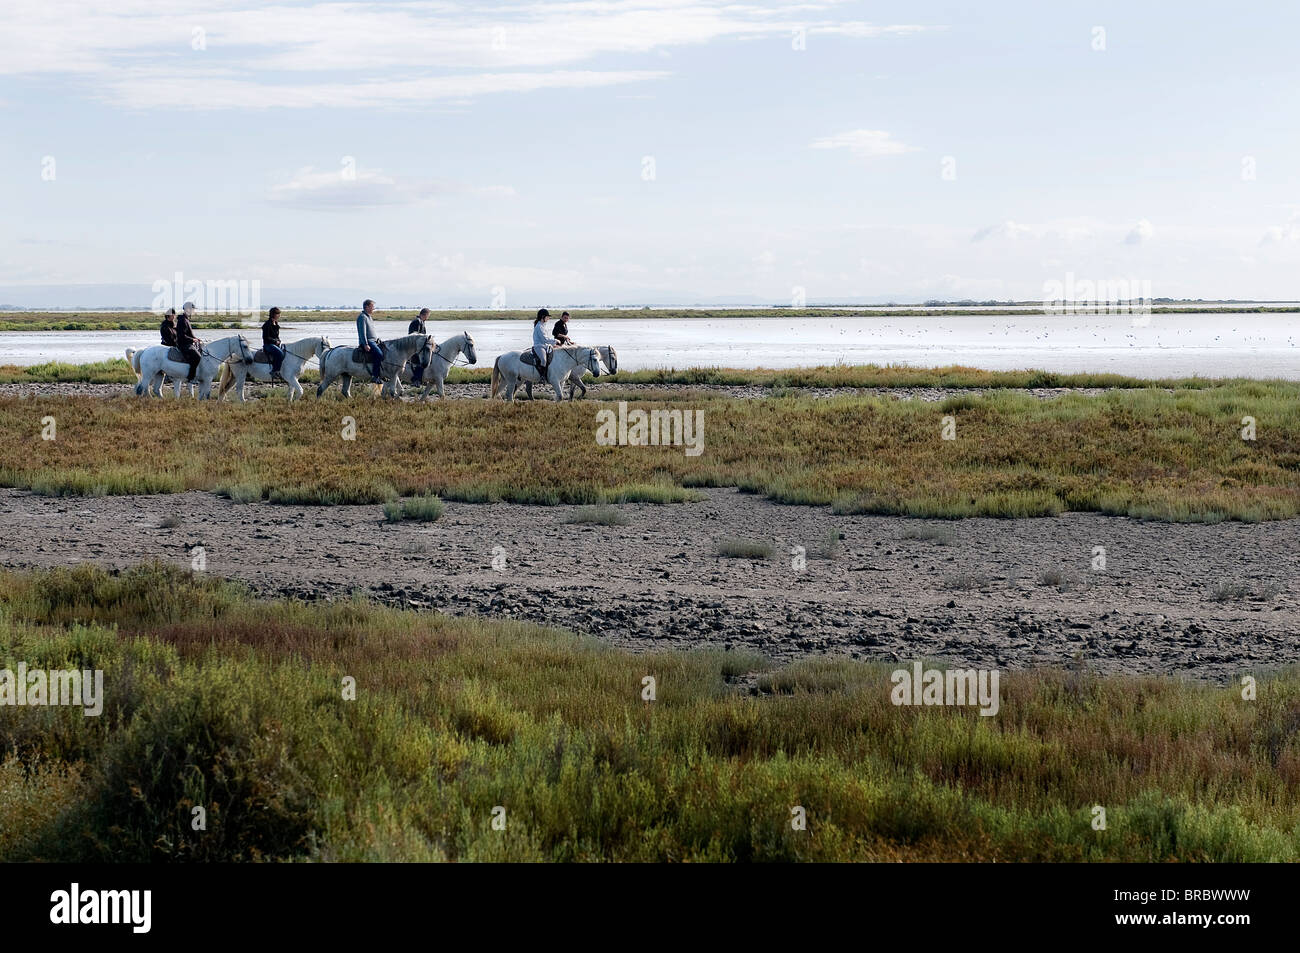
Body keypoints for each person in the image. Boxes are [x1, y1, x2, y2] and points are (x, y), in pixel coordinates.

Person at [356, 299, 384, 384]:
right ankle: (375, 376)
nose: (373, 308)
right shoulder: (362, 317)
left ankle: (383, 374)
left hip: (374, 341)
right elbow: (362, 332)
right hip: (369, 341)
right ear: (367, 307)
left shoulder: (369, 317)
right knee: (379, 354)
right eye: (372, 306)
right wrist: (365, 344)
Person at [175, 302, 202, 382]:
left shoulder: (186, 319)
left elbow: (188, 334)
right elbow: (181, 335)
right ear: (187, 309)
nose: (193, 311)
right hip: (183, 344)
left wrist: (196, 338)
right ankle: (191, 377)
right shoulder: (182, 320)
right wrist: (192, 340)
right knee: (198, 357)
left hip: (187, 342)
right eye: (193, 309)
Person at [407, 307, 433, 385]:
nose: (428, 317)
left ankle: (423, 378)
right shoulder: (416, 322)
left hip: (419, 346)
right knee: (421, 361)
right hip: (414, 346)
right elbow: (415, 335)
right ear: (424, 314)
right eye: (428, 315)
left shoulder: (422, 321)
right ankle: (416, 379)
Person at [531, 308, 555, 380]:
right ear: (542, 317)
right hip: (539, 346)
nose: (548, 318)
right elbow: (544, 339)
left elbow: (546, 339)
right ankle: (542, 377)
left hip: (544, 346)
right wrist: (555, 341)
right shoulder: (539, 327)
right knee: (544, 360)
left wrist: (553, 343)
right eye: (547, 317)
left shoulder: (542, 326)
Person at [262, 307, 285, 378]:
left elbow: (277, 336)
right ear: (273, 314)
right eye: (278, 314)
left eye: (279, 314)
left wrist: (279, 340)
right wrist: (275, 341)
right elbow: (266, 337)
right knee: (280, 354)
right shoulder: (267, 324)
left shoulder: (276, 324)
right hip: (268, 345)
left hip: (274, 344)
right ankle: (275, 371)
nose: (279, 315)